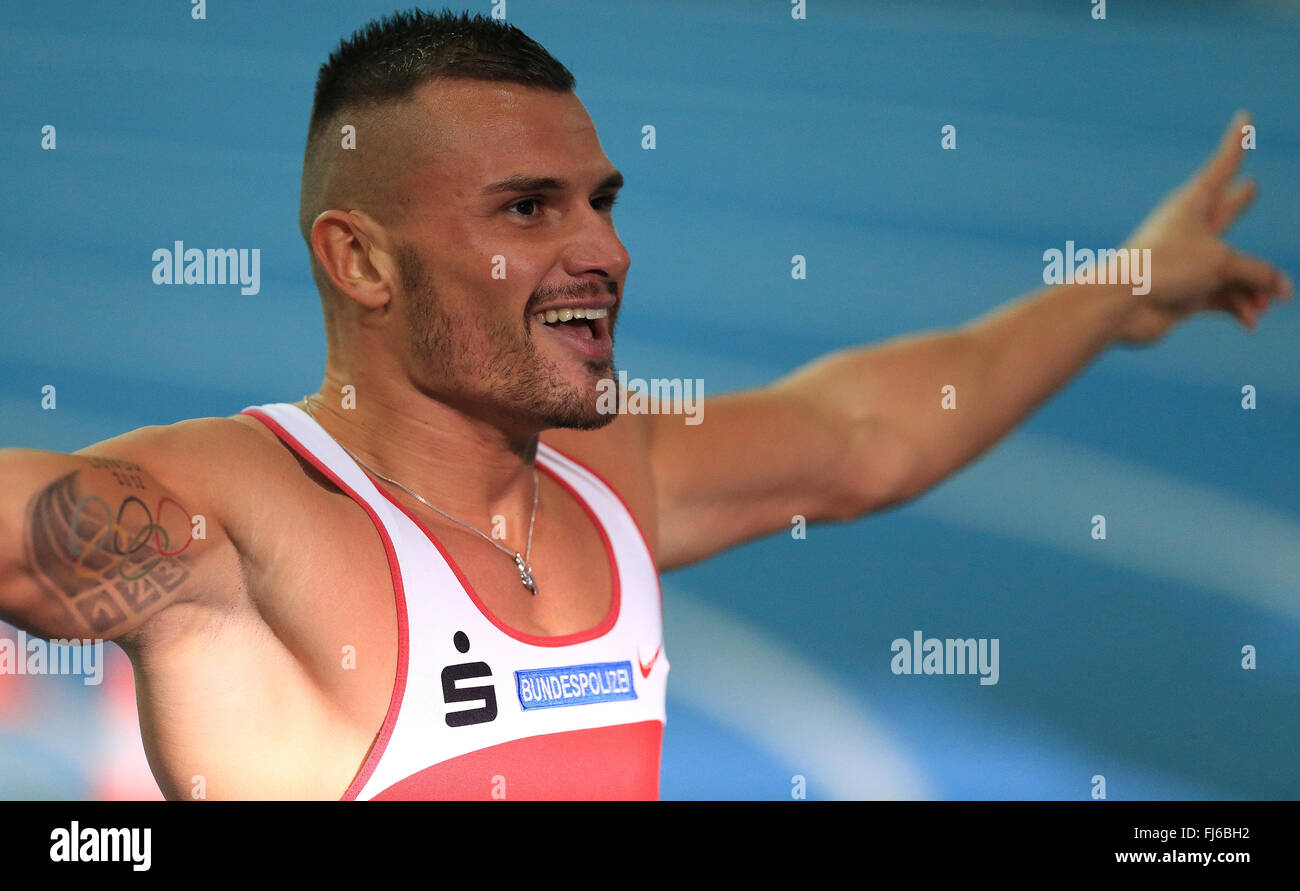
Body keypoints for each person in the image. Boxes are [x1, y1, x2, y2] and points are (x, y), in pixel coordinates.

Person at [0, 10, 1290, 800]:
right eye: (527, 208)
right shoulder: (236, 523)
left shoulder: (614, 482)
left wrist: (1124, 290)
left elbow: (869, 436)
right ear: (362, 260)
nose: (601, 251)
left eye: (602, 201)